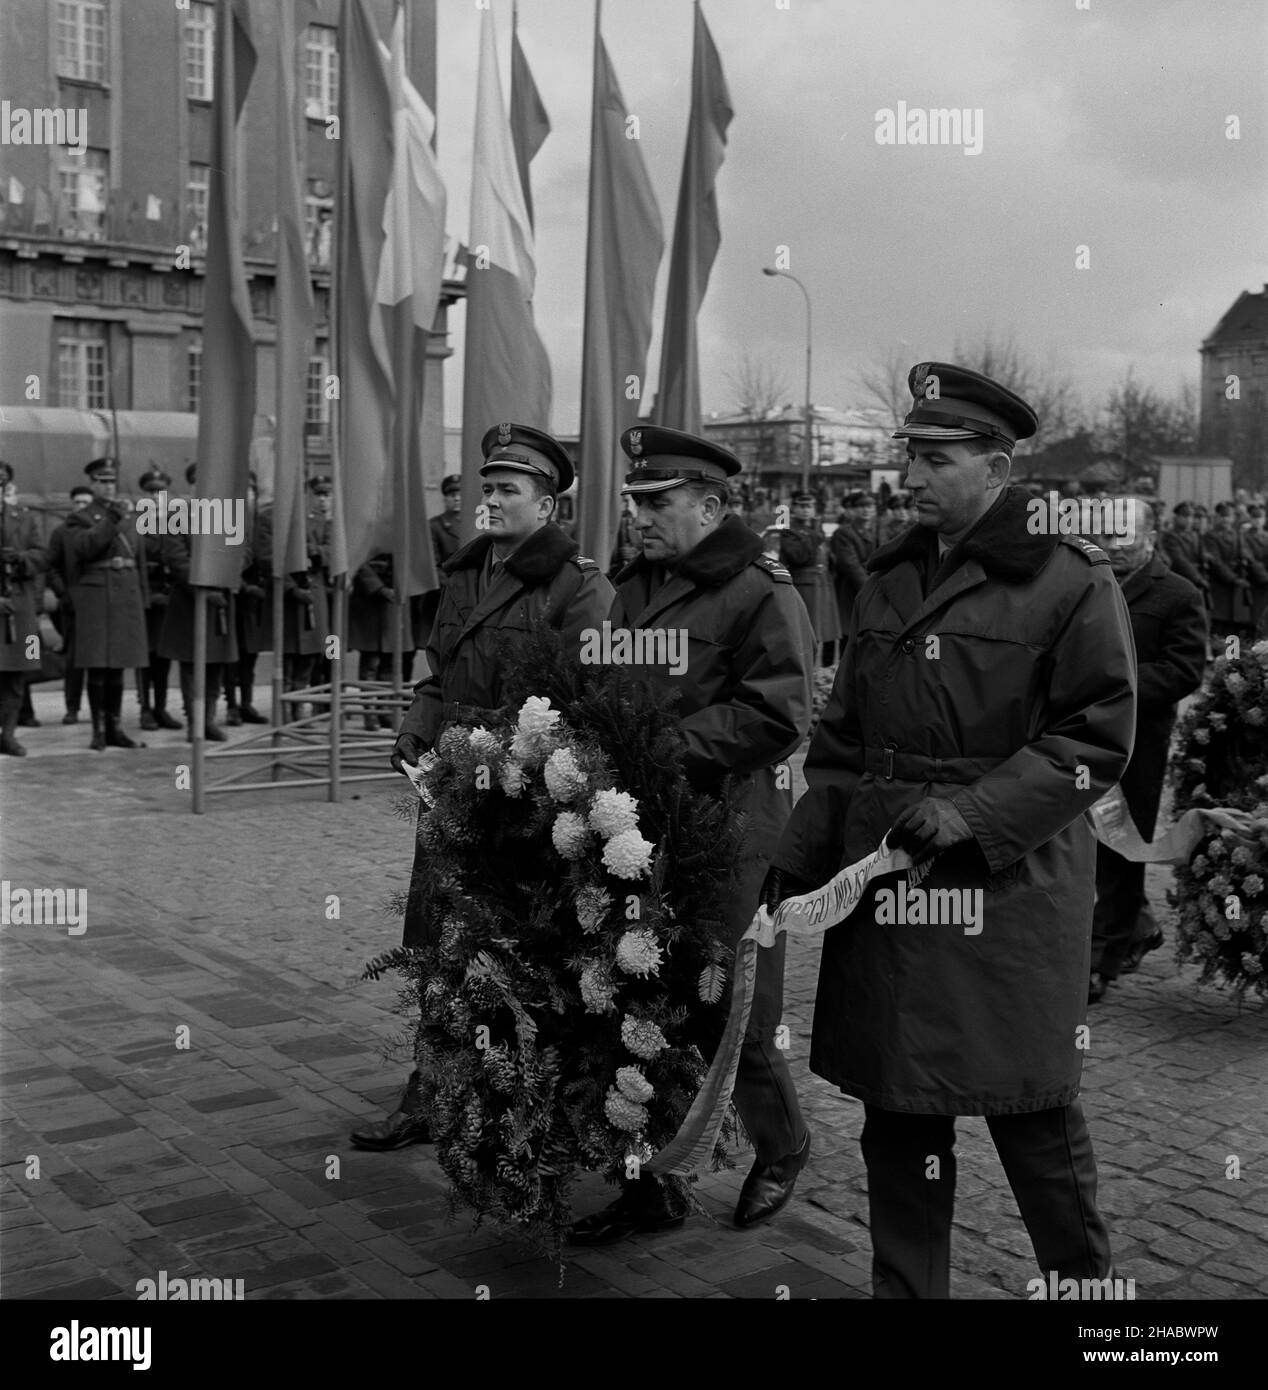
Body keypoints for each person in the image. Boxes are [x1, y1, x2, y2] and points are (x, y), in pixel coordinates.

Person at [768, 362, 1137, 1299]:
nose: (913, 477)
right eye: (910, 458)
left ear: (1000, 470)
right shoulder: (887, 582)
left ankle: (1089, 1301)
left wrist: (973, 812)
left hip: (1007, 897)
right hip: (891, 889)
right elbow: (844, 740)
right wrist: (807, 842)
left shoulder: (1068, 582)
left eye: (937, 460)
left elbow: (1094, 741)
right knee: (898, 1115)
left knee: (1034, 1118)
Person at [568, 425, 815, 1245]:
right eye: (633, 501)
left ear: (709, 507)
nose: (636, 515)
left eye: (655, 502)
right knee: (632, 1002)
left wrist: (666, 747)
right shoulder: (638, 586)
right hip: (634, 825)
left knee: (729, 1008)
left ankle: (781, 1145)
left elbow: (779, 711)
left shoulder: (761, 591)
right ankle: (650, 1184)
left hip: (728, 825)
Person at [352, 424, 614, 1152]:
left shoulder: (577, 584)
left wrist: (517, 759)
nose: (490, 502)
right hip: (450, 786)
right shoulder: (466, 572)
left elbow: (587, 696)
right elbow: (439, 671)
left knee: (516, 948)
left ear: (548, 504)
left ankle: (524, 1102)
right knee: (435, 937)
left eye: (508, 490)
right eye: (485, 489)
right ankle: (428, 1091)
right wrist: (416, 725)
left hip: (523, 797)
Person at [1089, 499, 1206, 1003]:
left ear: (1152, 537)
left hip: (1137, 741)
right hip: (1075, 734)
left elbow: (1185, 670)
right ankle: (1132, 926)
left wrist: (1115, 686)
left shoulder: (1179, 593)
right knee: (1079, 845)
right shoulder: (1084, 584)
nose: (1115, 544)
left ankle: (1101, 961)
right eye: (1108, 533)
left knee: (1120, 848)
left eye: (1126, 535)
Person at [62, 458, 151, 751]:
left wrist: (143, 598)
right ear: (92, 484)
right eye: (102, 481)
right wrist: (111, 520)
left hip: (125, 594)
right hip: (97, 595)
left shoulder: (129, 515)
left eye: (112, 481)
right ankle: (98, 730)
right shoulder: (81, 517)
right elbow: (86, 548)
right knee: (98, 667)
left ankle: (115, 727)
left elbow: (138, 560)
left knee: (118, 667)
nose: (108, 486)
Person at [157, 464, 237, 741]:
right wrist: (201, 589)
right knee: (192, 665)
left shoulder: (225, 516)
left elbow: (242, 551)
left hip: (221, 602)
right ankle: (195, 721)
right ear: (190, 486)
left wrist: (228, 577)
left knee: (217, 663)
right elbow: (176, 559)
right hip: (189, 603)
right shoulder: (178, 515)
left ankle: (209, 719)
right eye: (197, 483)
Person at [0, 461, 45, 756]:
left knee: (16, 674)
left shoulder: (25, 518)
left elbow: (42, 556)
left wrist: (19, 559)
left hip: (19, 607)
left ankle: (9, 734)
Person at [132, 468, 182, 731]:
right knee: (145, 657)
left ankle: (161, 707)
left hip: (168, 599)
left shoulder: (175, 522)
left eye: (160, 492)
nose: (155, 497)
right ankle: (145, 709)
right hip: (144, 600)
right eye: (151, 492)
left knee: (164, 656)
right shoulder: (135, 524)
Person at [45, 485, 93, 725]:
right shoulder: (61, 533)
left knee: (97, 659)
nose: (81, 507)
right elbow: (51, 566)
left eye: (86, 502)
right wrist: (63, 592)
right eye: (78, 502)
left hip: (97, 604)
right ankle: (72, 707)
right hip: (72, 604)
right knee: (73, 660)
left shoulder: (101, 531)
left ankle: (99, 708)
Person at [226, 472, 268, 726]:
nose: (248, 495)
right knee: (233, 655)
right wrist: (243, 585)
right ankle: (231, 705)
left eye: (251, 490)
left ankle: (246, 703)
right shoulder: (230, 522)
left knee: (250, 655)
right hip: (236, 598)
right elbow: (225, 562)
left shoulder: (260, 521)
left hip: (257, 601)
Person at [777, 492, 831, 665]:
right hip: (804, 585)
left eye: (810, 506)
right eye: (802, 506)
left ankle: (821, 676)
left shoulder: (816, 527)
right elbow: (797, 556)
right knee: (805, 636)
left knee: (824, 634)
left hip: (822, 585)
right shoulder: (787, 528)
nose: (806, 510)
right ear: (793, 507)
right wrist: (815, 535)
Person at [417, 473, 464, 641]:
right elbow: (432, 564)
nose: (457, 499)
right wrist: (453, 587)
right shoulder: (435, 526)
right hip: (444, 596)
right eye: (452, 495)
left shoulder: (478, 524)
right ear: (445, 499)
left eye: (461, 494)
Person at [828, 490, 876, 644]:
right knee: (848, 634)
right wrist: (870, 587)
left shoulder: (873, 532)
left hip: (869, 586)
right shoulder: (843, 533)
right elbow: (850, 564)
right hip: (849, 589)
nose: (866, 510)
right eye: (861, 506)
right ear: (852, 510)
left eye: (870, 506)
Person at [1202, 503, 1246, 641]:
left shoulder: (1237, 535)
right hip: (1220, 585)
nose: (1226, 519)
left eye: (1229, 516)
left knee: (1234, 627)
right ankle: (1219, 660)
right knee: (1219, 626)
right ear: (1217, 517)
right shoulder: (1210, 535)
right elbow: (1216, 562)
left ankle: (1232, 659)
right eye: (1223, 516)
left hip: (1236, 587)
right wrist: (1233, 578)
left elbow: (1243, 555)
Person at [1159, 501, 1208, 598]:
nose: (1189, 520)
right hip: (1181, 578)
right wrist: (1197, 578)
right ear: (1176, 517)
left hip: (1197, 578)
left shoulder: (1195, 535)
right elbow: (1180, 561)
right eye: (1185, 516)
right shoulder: (1170, 536)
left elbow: (1202, 556)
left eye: (1191, 516)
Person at [1242, 503, 1268, 637]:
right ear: (1250, 519)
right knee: (1250, 621)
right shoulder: (1244, 537)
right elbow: (1250, 559)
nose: (1258, 520)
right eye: (1255, 517)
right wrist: (1264, 577)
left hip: (1265, 586)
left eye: (1261, 517)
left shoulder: (1266, 536)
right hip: (1253, 583)